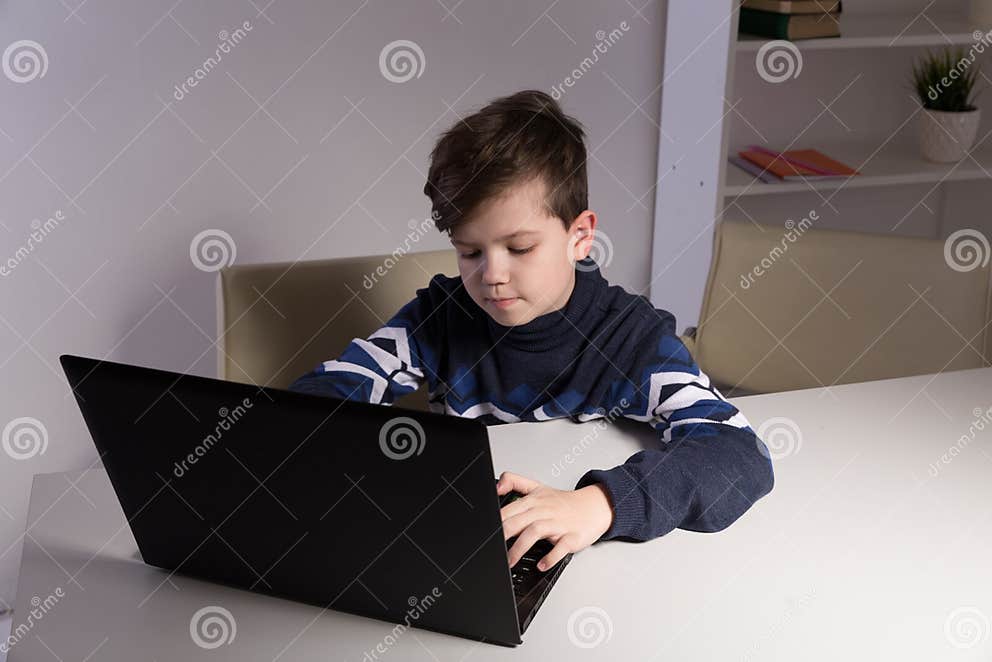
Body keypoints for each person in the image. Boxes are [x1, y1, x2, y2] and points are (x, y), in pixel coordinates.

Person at [288, 89, 774, 573]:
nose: (492, 275)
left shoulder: (631, 338)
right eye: (470, 252)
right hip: (468, 550)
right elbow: (324, 395)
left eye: (519, 249)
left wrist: (603, 503)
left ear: (580, 237)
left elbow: (739, 454)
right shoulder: (437, 319)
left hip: (600, 559)